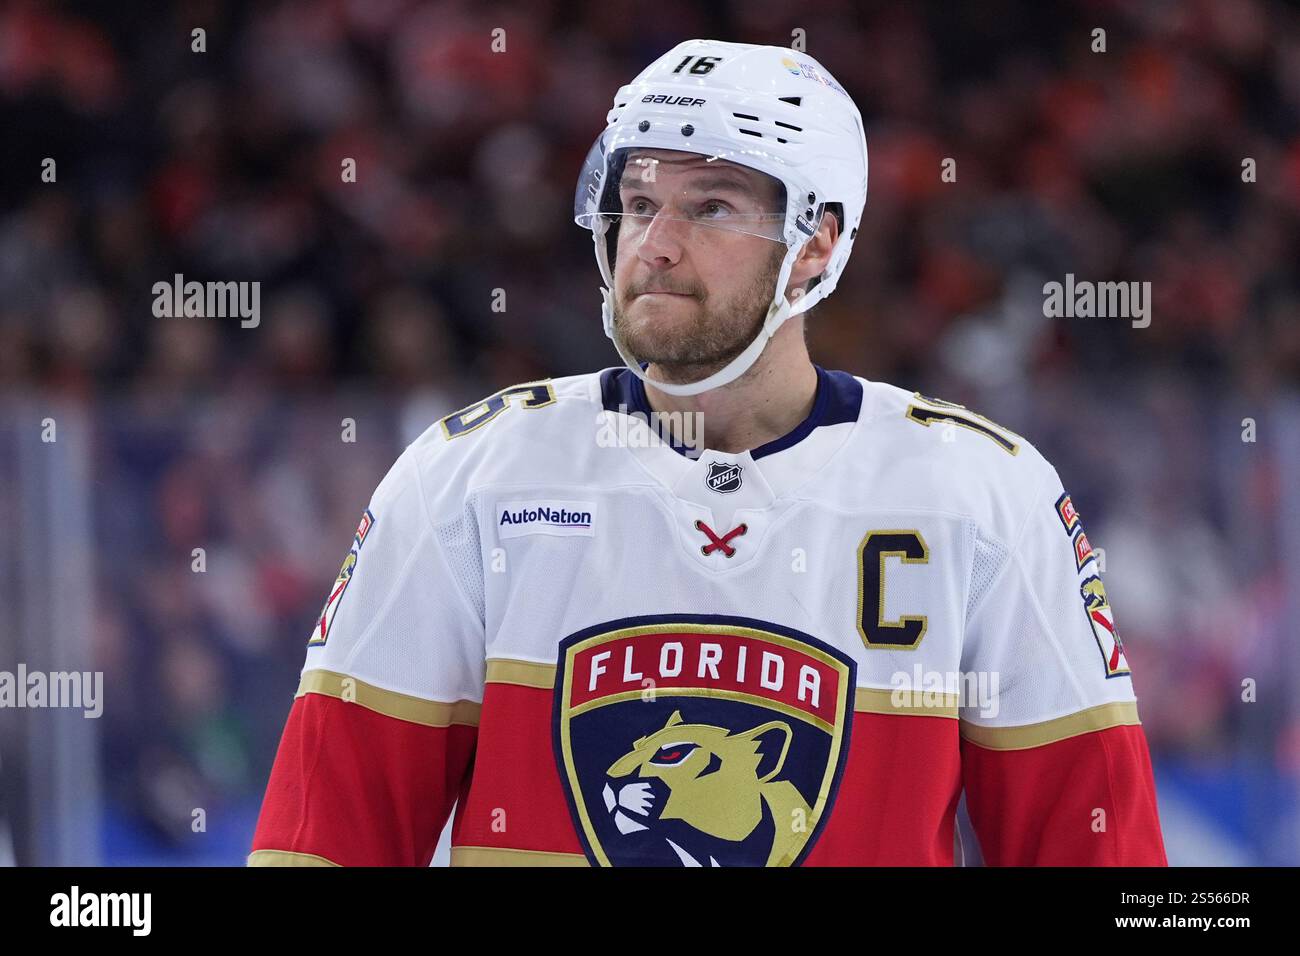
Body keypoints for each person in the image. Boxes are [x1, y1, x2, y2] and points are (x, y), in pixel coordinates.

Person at [250, 39, 1166, 866]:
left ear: (817, 243)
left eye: (710, 206)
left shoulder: (984, 494)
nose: (655, 244)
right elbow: (324, 843)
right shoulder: (467, 478)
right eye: (638, 202)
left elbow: (1101, 858)